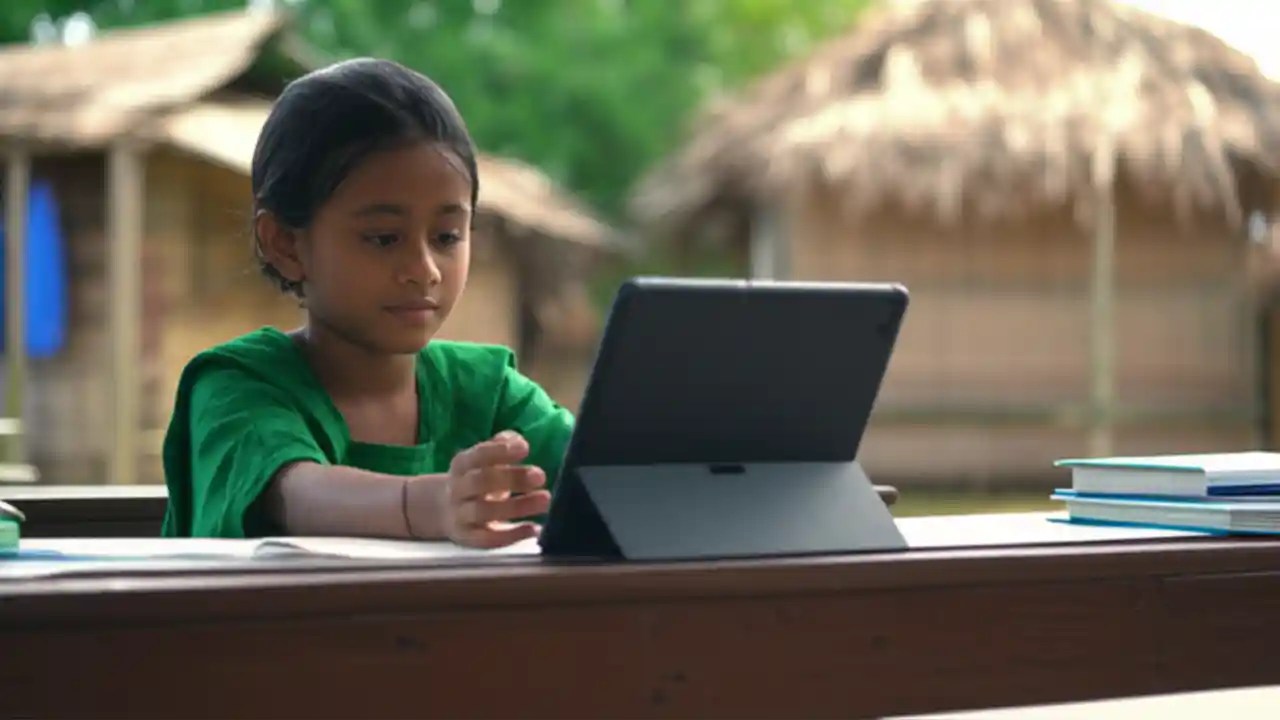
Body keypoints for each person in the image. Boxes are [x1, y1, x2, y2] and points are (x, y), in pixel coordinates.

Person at [160, 58, 574, 549]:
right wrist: (428, 504)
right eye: (382, 238)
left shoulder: (489, 394)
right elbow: (294, 493)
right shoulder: (237, 385)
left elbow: (605, 473)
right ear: (285, 245)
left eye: (446, 235)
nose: (425, 268)